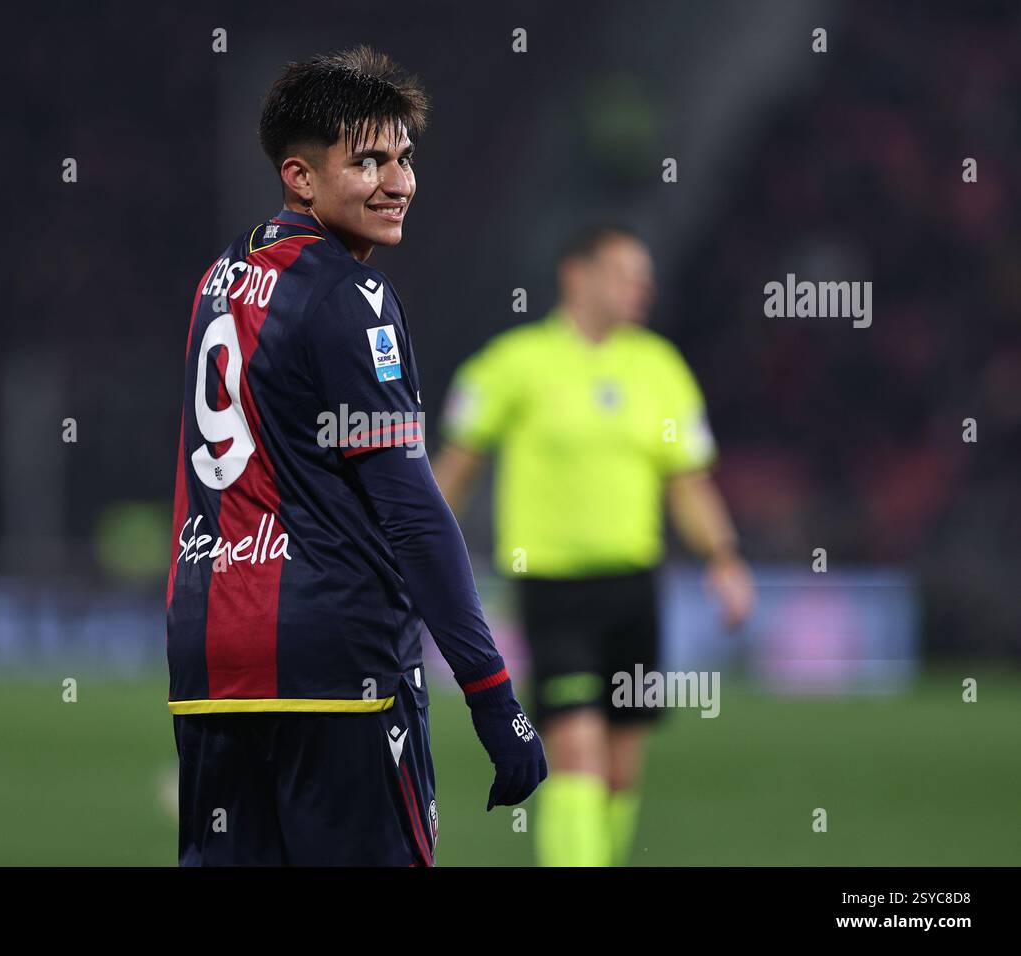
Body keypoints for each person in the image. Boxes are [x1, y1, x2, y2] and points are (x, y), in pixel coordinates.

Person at [164, 46, 546, 866]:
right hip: (338, 665)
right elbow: (411, 510)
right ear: (300, 176)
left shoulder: (218, 277)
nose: (398, 182)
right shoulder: (351, 294)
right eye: (367, 161)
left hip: (208, 655)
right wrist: (490, 693)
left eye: (404, 158)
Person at [433, 225, 755, 866]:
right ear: (576, 276)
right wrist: (415, 551)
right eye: (625, 273)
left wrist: (724, 559)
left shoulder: (660, 367)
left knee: (618, 770)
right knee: (575, 746)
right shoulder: (514, 363)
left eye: (645, 276)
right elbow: (458, 466)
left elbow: (687, 481)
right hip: (554, 589)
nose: (642, 287)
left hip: (635, 589)